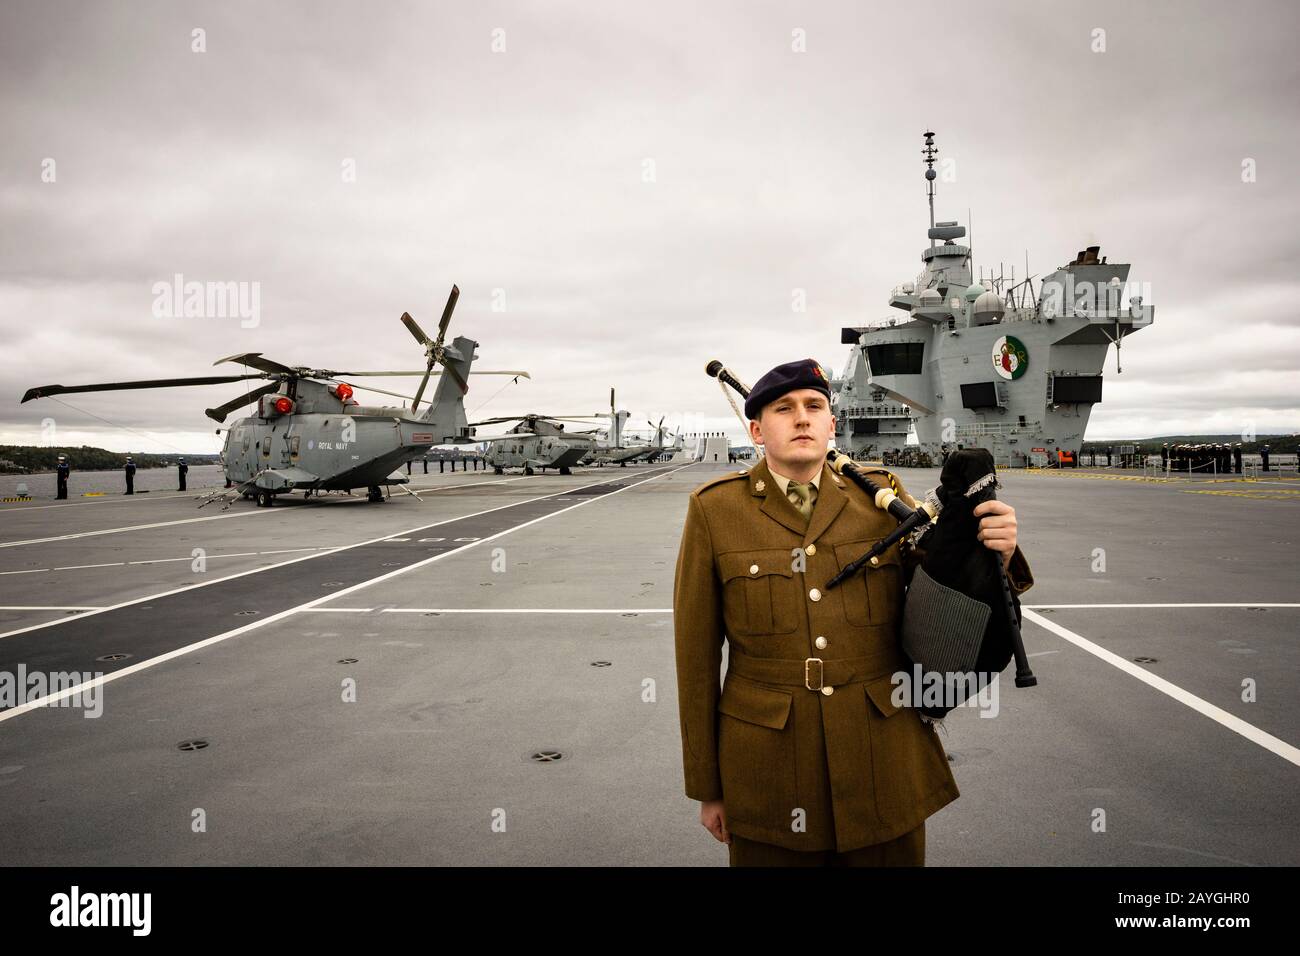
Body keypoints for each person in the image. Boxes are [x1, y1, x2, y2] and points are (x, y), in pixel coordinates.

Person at [673, 358, 1034, 867]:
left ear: (831, 426)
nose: (802, 418)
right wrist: (708, 786)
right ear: (756, 429)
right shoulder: (714, 510)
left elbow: (948, 576)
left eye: (814, 407)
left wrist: (997, 548)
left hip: (882, 755)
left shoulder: (879, 497)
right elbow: (695, 660)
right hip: (767, 770)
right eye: (784, 409)